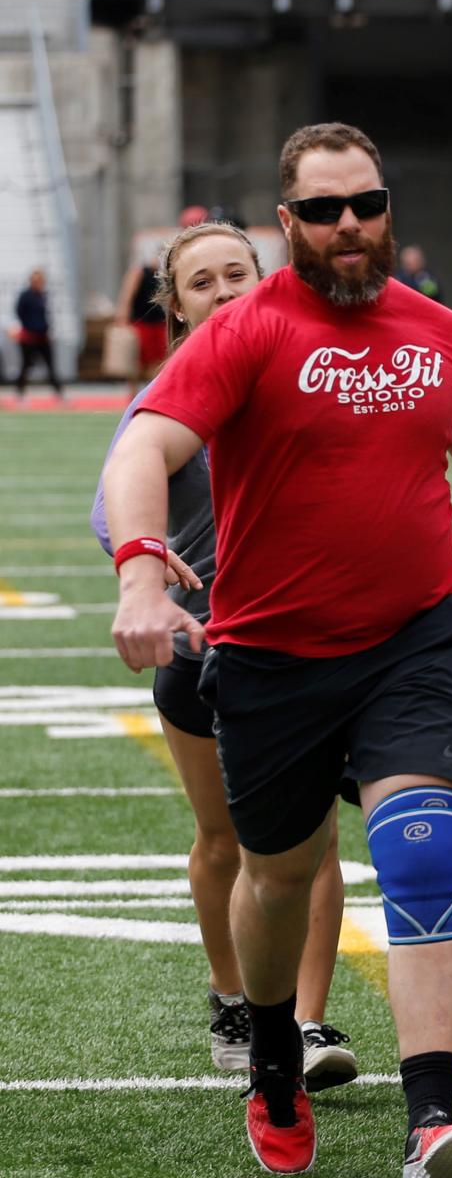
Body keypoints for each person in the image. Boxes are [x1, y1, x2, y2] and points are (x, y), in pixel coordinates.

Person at [103, 123, 452, 1178]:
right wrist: (143, 577)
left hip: (412, 641)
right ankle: (271, 1060)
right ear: (289, 223)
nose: (353, 226)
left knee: (426, 851)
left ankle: (431, 1118)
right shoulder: (246, 329)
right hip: (269, 655)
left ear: (390, 211)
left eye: (370, 204)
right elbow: (144, 445)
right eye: (328, 209)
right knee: (279, 877)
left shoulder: (443, 332)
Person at [90, 222, 357, 1094]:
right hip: (202, 644)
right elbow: (111, 505)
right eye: (201, 281)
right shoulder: (174, 389)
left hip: (310, 644)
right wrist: (145, 568)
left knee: (312, 844)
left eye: (236, 272)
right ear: (175, 306)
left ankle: (307, 1022)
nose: (223, 290)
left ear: (265, 275)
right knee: (223, 839)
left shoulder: (309, 364)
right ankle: (233, 998)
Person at [115, 242, 168, 401]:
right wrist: (122, 317)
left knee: (157, 361)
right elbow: (127, 296)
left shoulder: (164, 275)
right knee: (138, 362)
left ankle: (151, 393)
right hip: (141, 323)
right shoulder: (139, 272)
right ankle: (134, 395)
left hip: (158, 322)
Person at [14, 269, 65, 401]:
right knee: (26, 366)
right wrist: (29, 327)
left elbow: (47, 315)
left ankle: (59, 394)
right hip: (29, 337)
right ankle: (20, 393)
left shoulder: (44, 296)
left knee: (51, 367)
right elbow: (19, 312)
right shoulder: (25, 296)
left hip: (43, 337)